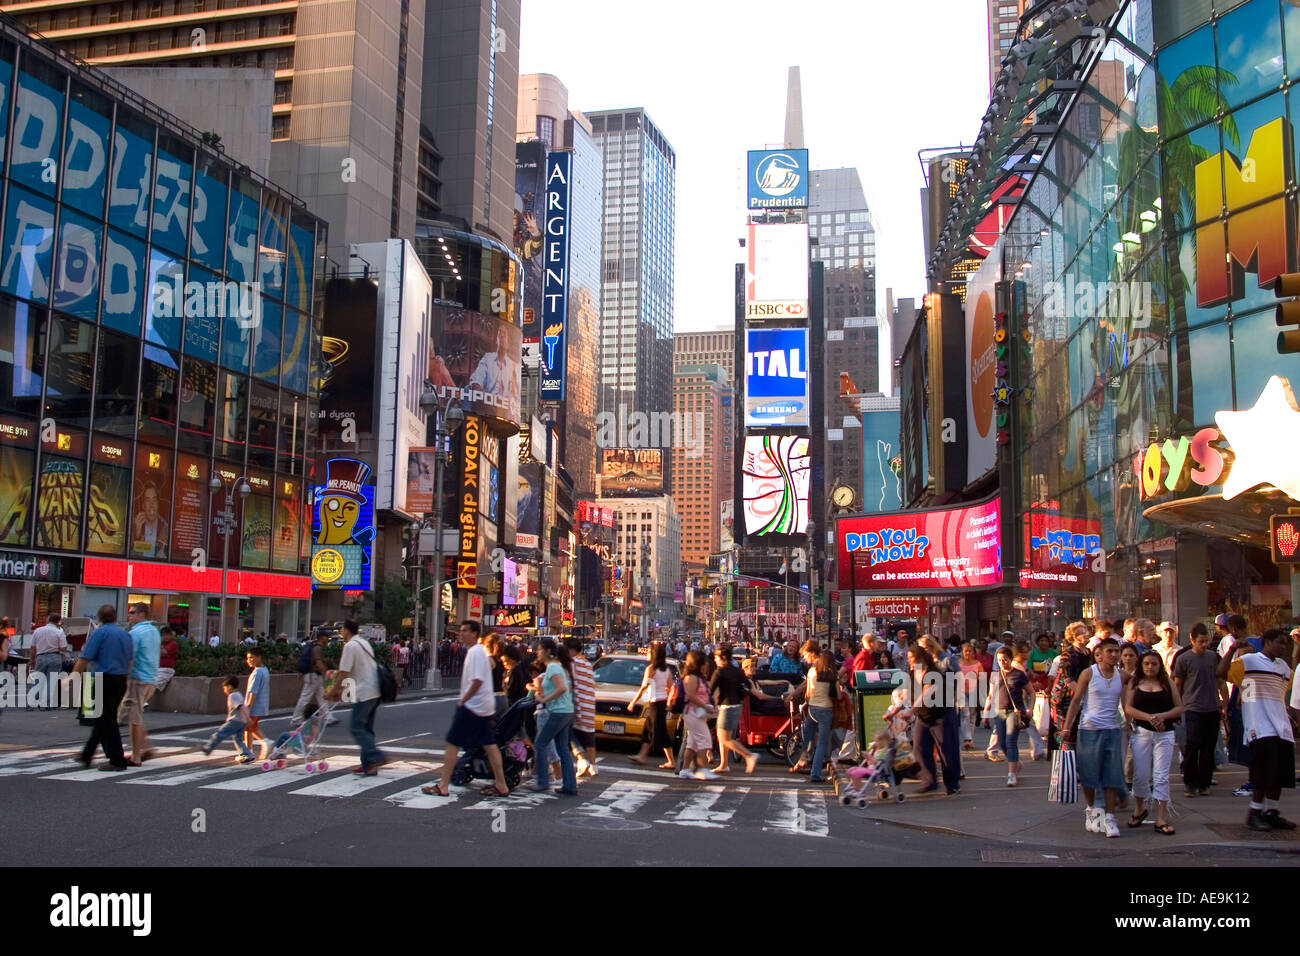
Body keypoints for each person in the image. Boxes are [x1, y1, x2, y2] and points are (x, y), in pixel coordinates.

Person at [1218, 628, 1295, 830]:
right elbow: (1220, 673)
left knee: (1278, 774)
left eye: (1285, 644)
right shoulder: (1249, 661)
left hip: (1282, 726)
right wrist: (1232, 650)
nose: (1283, 647)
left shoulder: (1284, 668)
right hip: (1259, 726)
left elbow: (1283, 693)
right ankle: (1255, 812)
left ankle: (1271, 811)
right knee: (1262, 773)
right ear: (1267, 642)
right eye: (1280, 642)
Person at [424, 621, 509, 797]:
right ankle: (501, 785)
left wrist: (464, 699)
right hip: (483, 706)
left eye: (465, 631)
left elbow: (477, 681)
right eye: (460, 631)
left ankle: (443, 785)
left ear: (474, 633)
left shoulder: (476, 652)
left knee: (453, 742)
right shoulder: (478, 652)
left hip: (473, 707)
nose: (460, 634)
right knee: (490, 745)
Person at [1062, 637, 1128, 838]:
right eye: (1110, 651)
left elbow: (1126, 703)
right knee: (1089, 775)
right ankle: (1092, 809)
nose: (1114, 655)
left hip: (1113, 730)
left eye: (1117, 651)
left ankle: (1109, 817)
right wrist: (1066, 727)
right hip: (1089, 730)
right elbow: (1076, 701)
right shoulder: (1089, 673)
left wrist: (1130, 723)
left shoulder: (1122, 676)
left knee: (1112, 774)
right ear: (1100, 654)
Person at [1124, 651, 1183, 834]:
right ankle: (1140, 808)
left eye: (1154, 664)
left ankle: (1161, 817)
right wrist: (1149, 718)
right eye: (1147, 663)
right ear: (1142, 665)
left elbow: (1179, 707)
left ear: (1160, 666)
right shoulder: (1135, 683)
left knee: (1161, 776)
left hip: (1164, 735)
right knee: (1140, 775)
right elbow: (1128, 708)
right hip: (1141, 733)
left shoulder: (1168, 683)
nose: (1150, 667)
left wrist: (1162, 717)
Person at [73, 605, 134, 771]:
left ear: (99, 617)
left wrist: (73, 676)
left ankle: (116, 759)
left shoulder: (99, 632)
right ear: (114, 617)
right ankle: (87, 754)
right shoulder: (125, 634)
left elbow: (85, 657)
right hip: (120, 679)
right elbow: (130, 660)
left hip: (102, 678)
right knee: (103, 718)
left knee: (106, 720)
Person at [1172, 622, 1222, 797]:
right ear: (1192, 640)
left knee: (1209, 747)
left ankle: (1205, 781)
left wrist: (1222, 701)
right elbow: (1177, 684)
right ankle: (1190, 782)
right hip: (1192, 707)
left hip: (1211, 707)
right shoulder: (1183, 659)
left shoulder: (1213, 657)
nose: (1204, 645)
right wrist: (1178, 707)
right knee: (1193, 745)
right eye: (1201, 641)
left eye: (1206, 641)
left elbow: (1219, 680)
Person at [525, 638, 578, 795]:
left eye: (540, 650)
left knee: (541, 743)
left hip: (559, 711)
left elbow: (561, 688)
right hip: (565, 711)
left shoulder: (553, 667)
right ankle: (570, 785)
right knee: (562, 748)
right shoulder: (555, 667)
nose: (537, 653)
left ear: (548, 651)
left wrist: (544, 699)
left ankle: (542, 782)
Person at [710, 644, 769, 774]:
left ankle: (749, 755)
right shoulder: (737, 671)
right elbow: (747, 686)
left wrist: (709, 704)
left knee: (724, 738)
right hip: (736, 705)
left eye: (716, 657)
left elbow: (710, 690)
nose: (715, 660)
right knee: (723, 735)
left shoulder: (719, 672)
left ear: (723, 657)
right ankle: (724, 764)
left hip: (726, 706)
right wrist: (741, 697)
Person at [788, 645, 840, 784]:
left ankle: (803, 758)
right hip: (826, 710)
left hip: (812, 708)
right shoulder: (832, 676)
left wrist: (810, 702)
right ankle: (815, 774)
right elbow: (838, 696)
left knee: (809, 738)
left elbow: (808, 693)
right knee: (821, 743)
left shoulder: (812, 672)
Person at [120, 603, 161, 766]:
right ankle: (146, 748)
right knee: (134, 715)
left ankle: (136, 756)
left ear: (142, 614)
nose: (129, 616)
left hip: (137, 679)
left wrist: (124, 677)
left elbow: (130, 657)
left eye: (132, 612)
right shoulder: (154, 631)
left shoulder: (135, 633)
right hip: (151, 678)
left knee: (134, 718)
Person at [987, 644, 1032, 787]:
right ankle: (1016, 762)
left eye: (1005, 659)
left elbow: (1031, 692)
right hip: (998, 711)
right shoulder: (995, 675)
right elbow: (991, 694)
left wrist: (1030, 708)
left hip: (1015, 711)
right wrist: (985, 712)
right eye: (1000, 660)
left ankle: (1012, 774)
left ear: (1010, 659)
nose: (1002, 662)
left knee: (1011, 741)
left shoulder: (1019, 674)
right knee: (1002, 744)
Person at [628, 641, 674, 769]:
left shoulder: (651, 669)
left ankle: (671, 761)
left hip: (655, 703)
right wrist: (669, 701)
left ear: (654, 654)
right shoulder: (666, 670)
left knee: (660, 731)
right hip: (661, 702)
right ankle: (642, 756)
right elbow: (670, 687)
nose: (647, 653)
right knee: (648, 730)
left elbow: (643, 687)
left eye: (649, 651)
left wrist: (633, 702)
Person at [678, 650, 718, 780]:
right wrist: (705, 706)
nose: (706, 665)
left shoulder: (696, 677)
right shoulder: (692, 678)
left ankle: (685, 769)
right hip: (693, 712)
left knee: (693, 743)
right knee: (704, 739)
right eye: (703, 662)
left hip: (696, 713)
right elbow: (690, 695)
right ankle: (703, 768)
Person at [563, 636, 598, 778]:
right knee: (589, 737)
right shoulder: (587, 663)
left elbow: (573, 685)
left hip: (578, 704)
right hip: (589, 703)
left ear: (570, 650)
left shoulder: (572, 663)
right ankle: (593, 766)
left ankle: (582, 759)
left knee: (568, 734)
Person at [201, 676, 257, 761]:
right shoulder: (239, 694)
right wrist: (247, 719)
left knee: (220, 733)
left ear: (230, 687)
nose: (224, 691)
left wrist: (248, 718)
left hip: (235, 721)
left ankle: (208, 748)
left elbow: (240, 707)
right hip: (242, 722)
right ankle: (248, 755)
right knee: (238, 739)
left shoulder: (233, 696)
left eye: (225, 688)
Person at [466, 323, 520, 405]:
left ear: (508, 342)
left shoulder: (511, 366)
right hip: (486, 405)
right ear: (496, 340)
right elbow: (477, 381)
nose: (502, 336)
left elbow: (514, 395)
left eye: (504, 334)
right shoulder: (488, 358)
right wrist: (482, 399)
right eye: (499, 333)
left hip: (503, 409)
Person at [291, 627, 332, 727]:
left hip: (314, 676)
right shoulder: (317, 648)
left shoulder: (314, 646)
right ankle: (296, 719)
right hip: (313, 676)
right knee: (306, 698)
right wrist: (327, 673)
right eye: (327, 637)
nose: (328, 639)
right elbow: (318, 663)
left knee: (321, 697)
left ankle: (328, 717)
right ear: (321, 637)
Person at [29, 613, 68, 710]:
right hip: (55, 657)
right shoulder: (59, 632)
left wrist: (32, 659)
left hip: (40, 657)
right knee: (51, 682)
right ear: (58, 621)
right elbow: (63, 648)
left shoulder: (38, 631)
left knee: (38, 681)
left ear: (48, 619)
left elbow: (32, 647)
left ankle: (31, 703)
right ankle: (45, 704)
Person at [241, 647, 270, 763]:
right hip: (260, 704)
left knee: (250, 727)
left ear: (259, 657)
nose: (249, 660)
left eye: (252, 657)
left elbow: (253, 691)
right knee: (249, 728)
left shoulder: (257, 672)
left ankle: (266, 742)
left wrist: (247, 706)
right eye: (248, 658)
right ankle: (249, 751)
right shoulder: (264, 670)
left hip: (254, 706)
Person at [957, 642, 984, 750]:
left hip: (973, 691)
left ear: (973, 652)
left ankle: (970, 740)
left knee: (972, 714)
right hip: (961, 692)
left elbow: (982, 679)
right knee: (965, 714)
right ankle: (967, 739)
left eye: (970, 651)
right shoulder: (958, 664)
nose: (968, 653)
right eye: (965, 651)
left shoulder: (977, 664)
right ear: (962, 652)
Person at [155, 624, 178, 694]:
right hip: (157, 669)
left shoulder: (173, 644)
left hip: (167, 670)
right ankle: (143, 702)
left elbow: (164, 652)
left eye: (167, 635)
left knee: (153, 685)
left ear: (171, 635)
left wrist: (158, 648)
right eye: (163, 635)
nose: (165, 637)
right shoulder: (160, 644)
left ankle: (143, 702)